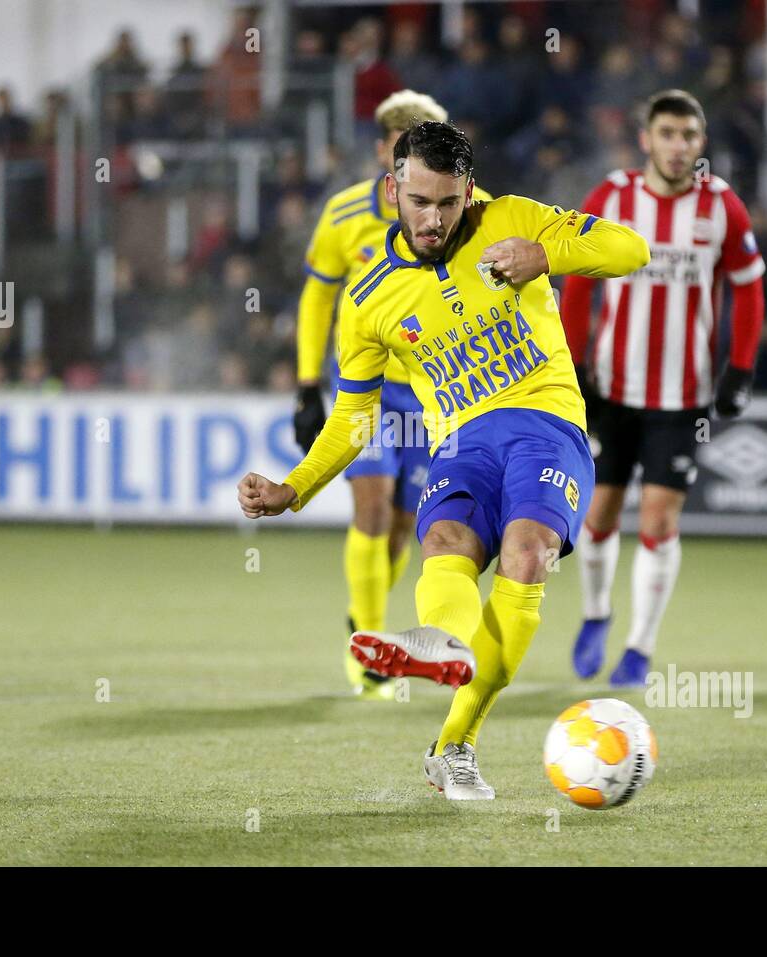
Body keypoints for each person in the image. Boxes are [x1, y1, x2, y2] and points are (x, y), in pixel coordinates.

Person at [240, 121, 649, 799]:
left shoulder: (511, 219)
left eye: (449, 203)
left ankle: (454, 742)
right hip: (459, 441)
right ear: (392, 187)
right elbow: (354, 415)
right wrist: (296, 486)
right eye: (420, 201)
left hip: (546, 425)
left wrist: (547, 256)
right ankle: (443, 641)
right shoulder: (369, 299)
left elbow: (629, 247)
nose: (434, 219)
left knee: (526, 553)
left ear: (468, 192)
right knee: (446, 541)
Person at [294, 91, 492, 699]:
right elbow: (317, 298)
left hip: (439, 390)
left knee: (407, 527)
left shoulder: (472, 211)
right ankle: (369, 637)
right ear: (385, 151)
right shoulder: (344, 213)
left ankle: (374, 628)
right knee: (372, 510)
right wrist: (307, 384)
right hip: (370, 388)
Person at [563, 90, 765, 686]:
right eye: (668, 134)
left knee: (658, 520)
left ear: (701, 145)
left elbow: (750, 287)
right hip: (612, 388)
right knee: (597, 515)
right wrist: (574, 366)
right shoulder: (613, 197)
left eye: (690, 136)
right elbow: (576, 282)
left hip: (684, 397)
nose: (678, 147)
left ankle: (639, 647)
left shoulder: (722, 205)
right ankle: (597, 614)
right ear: (646, 139)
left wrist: (742, 367)